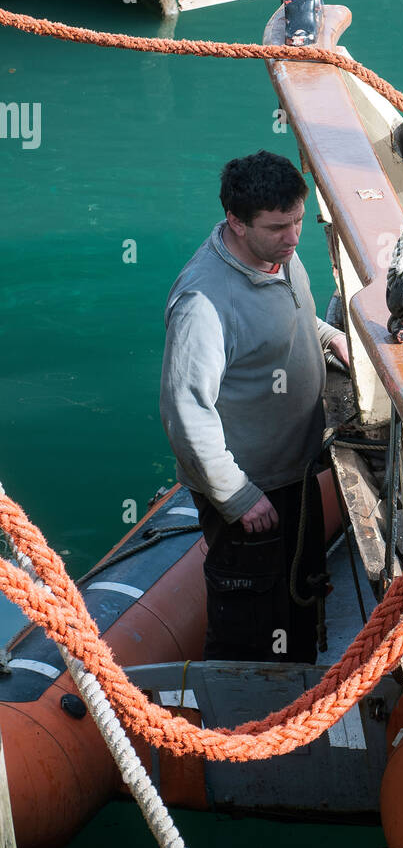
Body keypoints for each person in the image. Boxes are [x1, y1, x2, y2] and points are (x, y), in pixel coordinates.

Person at [160, 150, 348, 662]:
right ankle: (244, 727)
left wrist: (329, 337)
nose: (293, 238)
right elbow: (186, 413)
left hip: (296, 473)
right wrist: (238, 496)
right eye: (278, 227)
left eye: (298, 222)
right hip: (251, 490)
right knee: (248, 616)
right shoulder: (204, 305)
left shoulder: (278, 254)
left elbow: (290, 315)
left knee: (300, 588)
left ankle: (302, 684)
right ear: (236, 223)